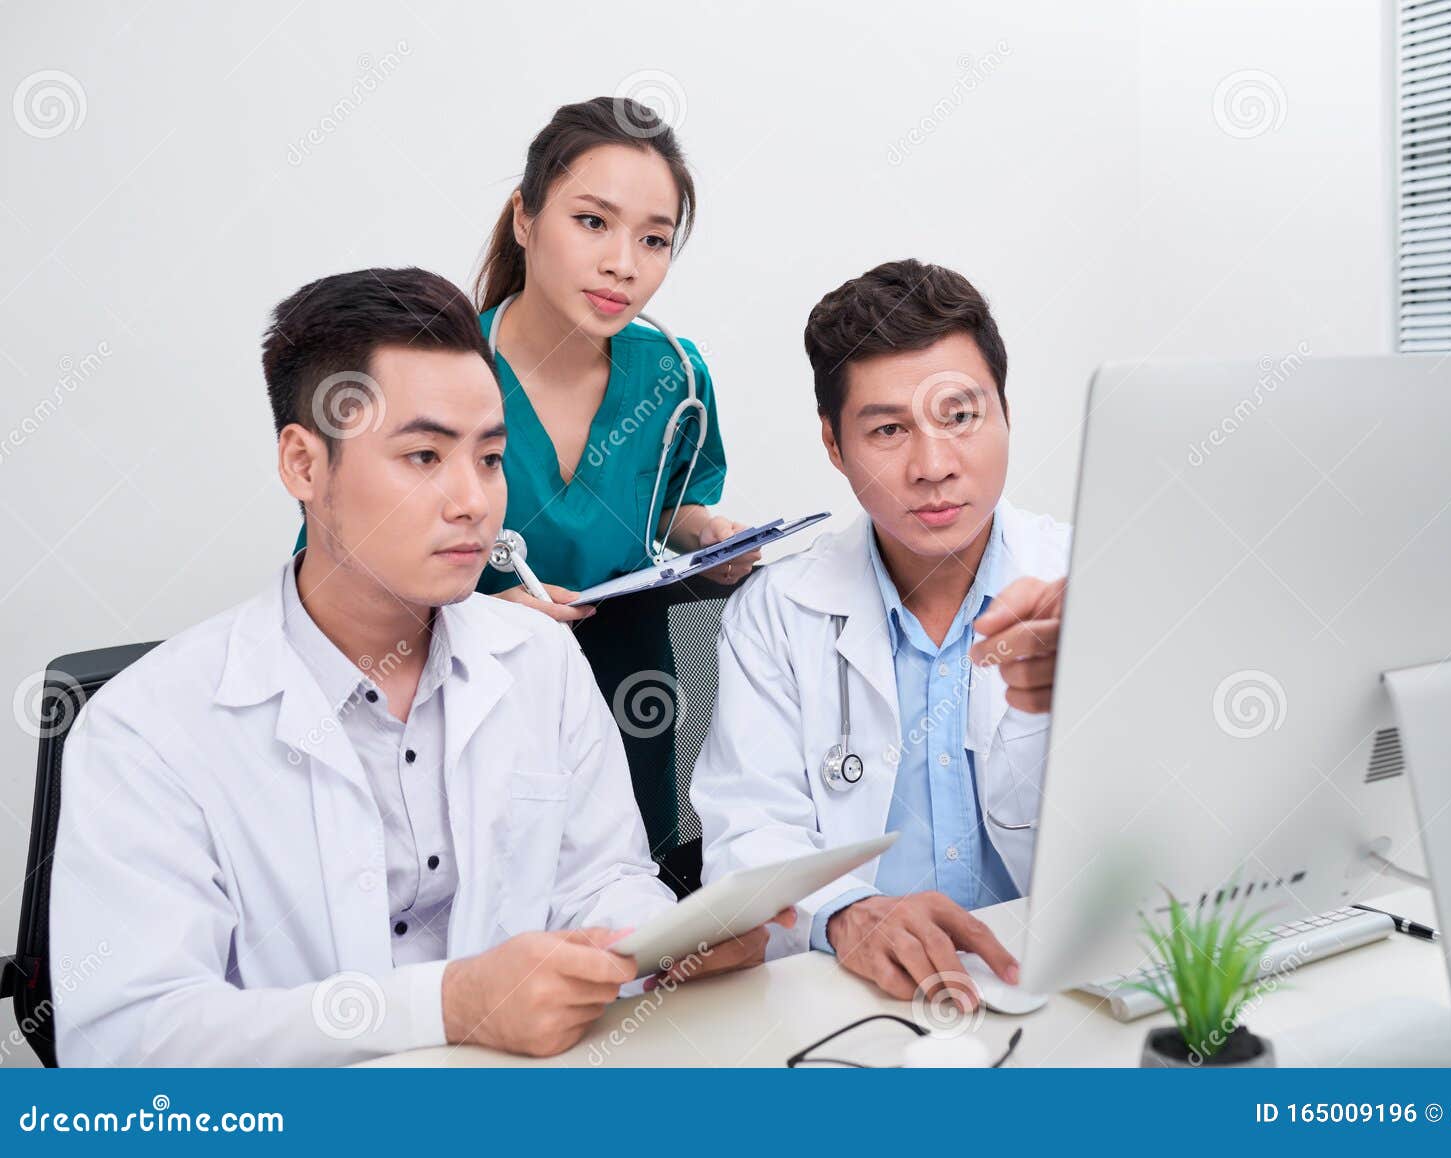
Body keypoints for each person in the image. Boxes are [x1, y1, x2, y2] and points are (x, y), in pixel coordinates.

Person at [50, 268, 787, 1066]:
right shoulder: (146, 729)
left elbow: (599, 880)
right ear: (303, 464)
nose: (472, 500)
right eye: (424, 456)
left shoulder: (540, 658)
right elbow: (126, 1044)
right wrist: (447, 1005)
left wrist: (663, 944)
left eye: (492, 457)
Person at [691, 259, 1068, 1007]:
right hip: (857, 994)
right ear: (834, 445)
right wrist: (846, 916)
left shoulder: (1086, 580)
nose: (933, 467)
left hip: (1051, 975)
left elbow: (1176, 811)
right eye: (890, 430)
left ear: (1005, 413)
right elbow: (747, 831)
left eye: (961, 417)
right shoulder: (777, 609)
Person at [471, 96, 759, 852]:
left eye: (654, 239)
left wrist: (708, 533)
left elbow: (669, 501)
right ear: (525, 219)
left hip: (629, 692)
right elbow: (343, 571)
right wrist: (482, 616)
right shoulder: (436, 372)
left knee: (635, 913)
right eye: (592, 221)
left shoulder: (674, 374)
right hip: (469, 697)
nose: (622, 265)